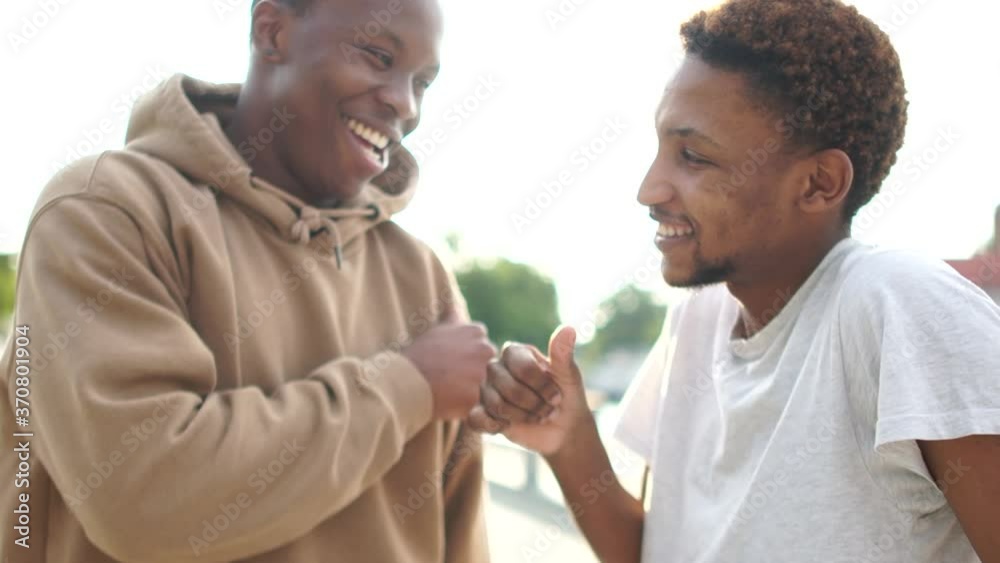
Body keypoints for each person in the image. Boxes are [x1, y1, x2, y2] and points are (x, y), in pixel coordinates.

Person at [470, 0, 1000, 561]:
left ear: (819, 183)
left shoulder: (900, 305)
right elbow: (655, 552)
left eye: (693, 156)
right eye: (661, 149)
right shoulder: (697, 318)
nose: (649, 189)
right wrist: (570, 441)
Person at [0, 0, 497, 561]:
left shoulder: (424, 280)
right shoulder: (107, 209)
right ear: (273, 31)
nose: (404, 104)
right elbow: (144, 501)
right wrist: (408, 386)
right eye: (378, 56)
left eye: (423, 84)